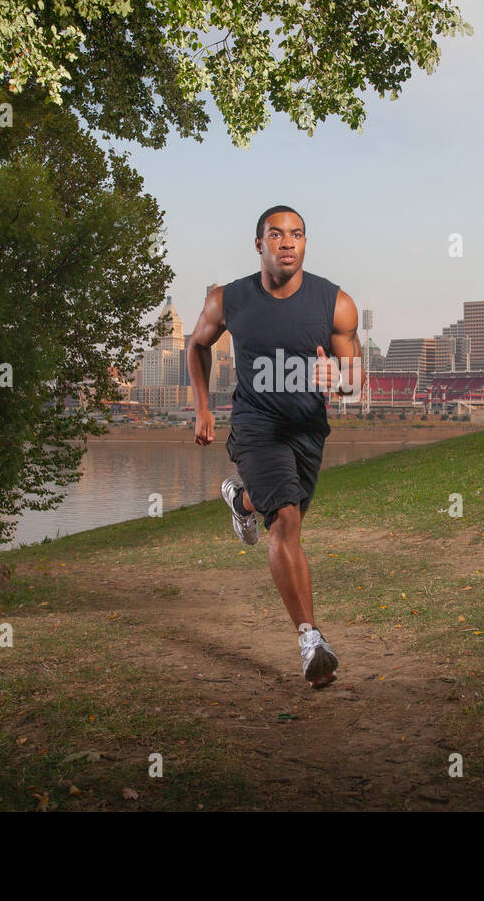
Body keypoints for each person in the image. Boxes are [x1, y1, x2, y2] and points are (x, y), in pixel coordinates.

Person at [187, 205, 363, 688]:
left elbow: (356, 379)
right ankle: (311, 641)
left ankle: (240, 498)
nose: (288, 242)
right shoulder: (229, 299)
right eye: (276, 234)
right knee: (285, 520)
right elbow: (196, 345)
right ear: (259, 243)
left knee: (285, 511)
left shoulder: (336, 304)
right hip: (255, 426)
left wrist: (341, 379)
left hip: (307, 430)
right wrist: (203, 408)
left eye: (297, 235)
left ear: (305, 243)